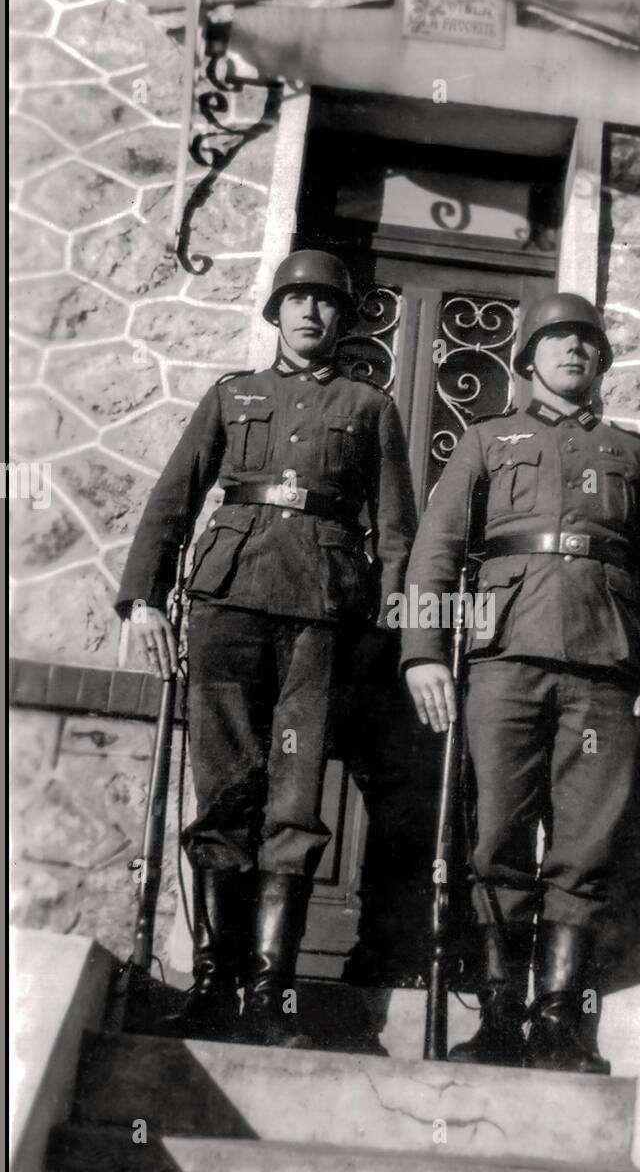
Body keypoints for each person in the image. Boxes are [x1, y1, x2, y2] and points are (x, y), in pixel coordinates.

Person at [115, 249, 417, 1045]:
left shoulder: (369, 406)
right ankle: (214, 985)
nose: (311, 314)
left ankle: (269, 994)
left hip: (321, 612)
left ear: (342, 320)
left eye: (325, 303)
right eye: (298, 301)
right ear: (275, 313)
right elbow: (174, 496)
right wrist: (143, 597)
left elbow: (395, 528)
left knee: (293, 796)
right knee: (223, 787)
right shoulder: (232, 395)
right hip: (226, 603)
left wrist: (399, 623)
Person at [402, 292, 640, 1072]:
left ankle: (558, 1022)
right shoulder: (488, 442)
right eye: (557, 341)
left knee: (585, 846)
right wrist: (424, 649)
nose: (574, 352)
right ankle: (498, 1017)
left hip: (607, 668)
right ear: (528, 359)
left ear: (601, 363)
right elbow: (435, 550)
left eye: (587, 343)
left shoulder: (636, 457)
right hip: (505, 660)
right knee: (495, 836)